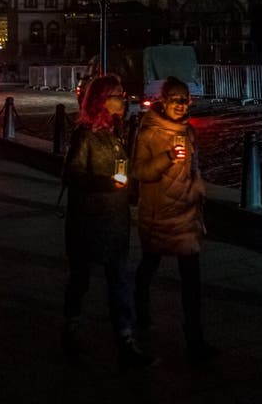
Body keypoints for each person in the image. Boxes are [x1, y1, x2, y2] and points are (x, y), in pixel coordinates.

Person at [61, 74, 154, 369]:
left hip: (115, 220)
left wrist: (130, 189)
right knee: (81, 277)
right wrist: (106, 182)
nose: (122, 99)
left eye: (122, 94)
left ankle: (125, 338)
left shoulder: (118, 132)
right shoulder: (86, 134)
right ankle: (71, 323)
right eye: (116, 94)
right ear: (101, 100)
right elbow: (72, 174)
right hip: (88, 220)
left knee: (119, 280)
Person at [132, 75, 218, 364]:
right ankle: (140, 313)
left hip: (185, 216)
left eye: (185, 100)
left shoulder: (188, 132)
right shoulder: (149, 132)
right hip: (160, 214)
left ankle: (195, 337)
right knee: (148, 266)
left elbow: (194, 167)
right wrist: (167, 157)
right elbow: (140, 172)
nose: (181, 105)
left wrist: (197, 185)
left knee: (192, 281)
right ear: (163, 101)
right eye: (176, 100)